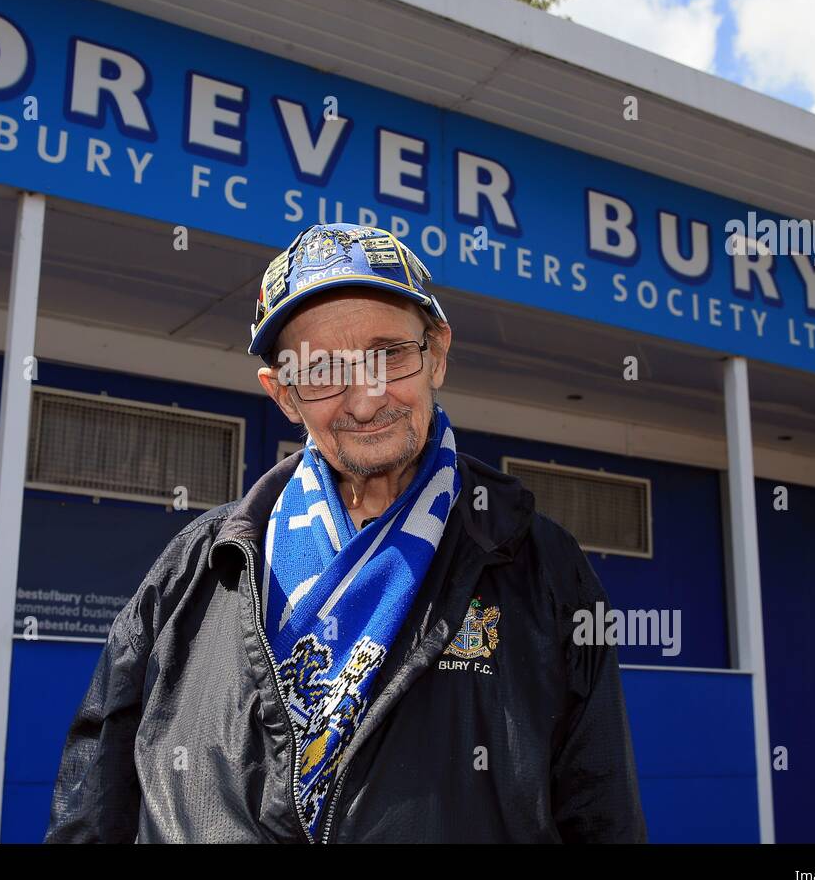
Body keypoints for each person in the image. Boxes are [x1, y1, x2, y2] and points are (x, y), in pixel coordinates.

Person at [44, 222, 647, 843]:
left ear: (437, 351)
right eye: (322, 369)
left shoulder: (542, 567)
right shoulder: (193, 570)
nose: (365, 400)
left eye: (389, 354)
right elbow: (92, 810)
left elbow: (602, 818)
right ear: (283, 395)